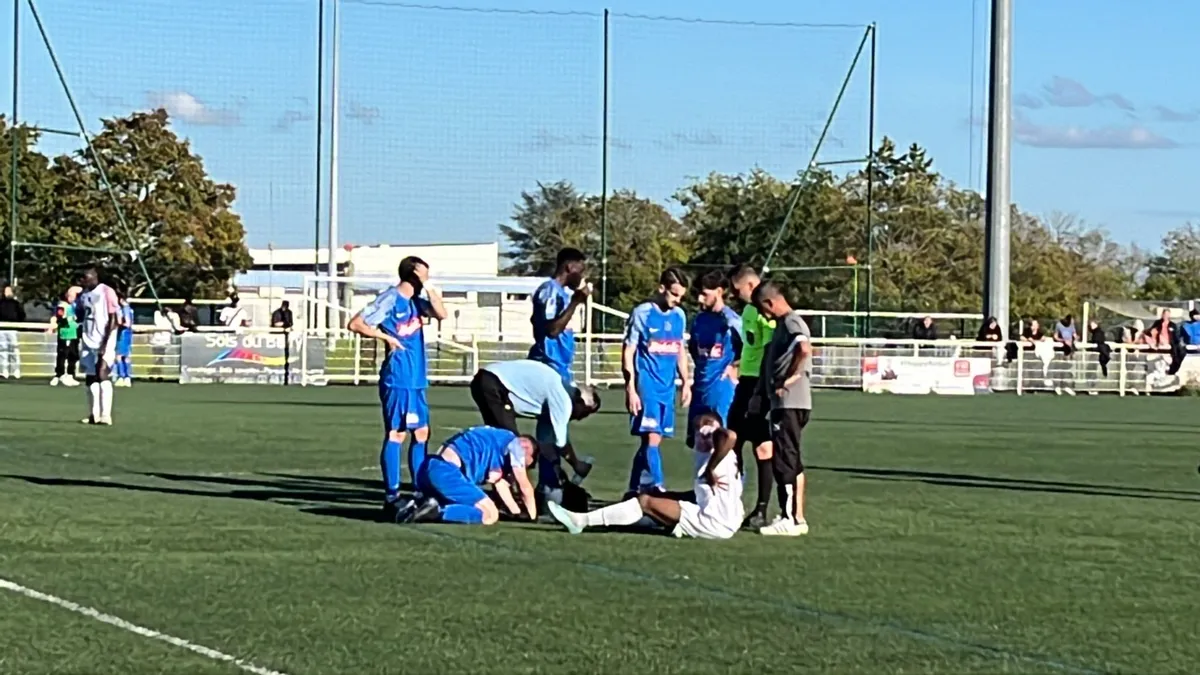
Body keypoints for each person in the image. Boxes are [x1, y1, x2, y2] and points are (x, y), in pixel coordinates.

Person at [347, 256, 447, 520]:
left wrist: (430, 288)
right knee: (397, 434)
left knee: (422, 433)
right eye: (424, 274)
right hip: (398, 376)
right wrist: (386, 337)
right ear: (413, 273)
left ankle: (418, 491)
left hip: (416, 379)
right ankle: (391, 496)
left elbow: (441, 313)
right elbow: (356, 323)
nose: (427, 278)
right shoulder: (391, 299)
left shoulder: (417, 301)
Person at [545, 413, 743, 540]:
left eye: (706, 432)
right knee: (650, 503)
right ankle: (592, 520)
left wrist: (711, 466)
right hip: (727, 520)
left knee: (644, 502)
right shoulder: (713, 454)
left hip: (713, 523)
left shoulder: (717, 450)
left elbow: (730, 436)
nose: (702, 436)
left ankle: (581, 521)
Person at [469, 359, 601, 500]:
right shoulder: (563, 400)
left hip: (487, 380)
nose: (581, 418)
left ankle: (508, 494)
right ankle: (513, 497)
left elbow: (547, 443)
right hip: (495, 385)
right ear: (580, 402)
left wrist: (564, 470)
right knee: (514, 447)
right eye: (585, 412)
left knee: (504, 445)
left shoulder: (559, 393)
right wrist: (577, 465)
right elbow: (561, 444)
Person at [623, 268, 691, 496]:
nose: (677, 300)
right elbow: (629, 350)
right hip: (647, 385)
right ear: (661, 288)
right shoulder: (642, 313)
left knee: (652, 441)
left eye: (680, 296)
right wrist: (631, 388)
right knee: (651, 437)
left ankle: (633, 489)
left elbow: (680, 349)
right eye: (673, 294)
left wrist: (686, 382)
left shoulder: (679, 316)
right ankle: (659, 486)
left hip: (667, 387)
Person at [753, 280, 813, 537]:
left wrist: (787, 378)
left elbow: (804, 349)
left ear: (770, 303)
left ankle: (789, 518)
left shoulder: (791, 322)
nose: (762, 315)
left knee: (785, 459)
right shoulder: (781, 325)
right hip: (785, 403)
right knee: (792, 458)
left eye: (762, 309)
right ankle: (795, 516)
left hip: (790, 402)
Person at [402, 426, 539, 526]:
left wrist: (515, 512)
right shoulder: (517, 445)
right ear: (526, 449)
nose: (523, 467)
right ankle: (437, 511)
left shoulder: (498, 441)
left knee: (474, 504)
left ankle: (418, 505)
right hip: (447, 473)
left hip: (429, 469)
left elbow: (500, 484)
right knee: (490, 514)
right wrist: (533, 517)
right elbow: (524, 486)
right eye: (526, 464)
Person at [686, 270, 742, 448]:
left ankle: (731, 476)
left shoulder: (732, 321)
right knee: (698, 442)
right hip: (700, 387)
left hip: (722, 389)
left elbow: (751, 348)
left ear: (719, 291)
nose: (699, 300)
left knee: (723, 442)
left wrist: (734, 366)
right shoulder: (698, 320)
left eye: (704, 294)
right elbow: (694, 348)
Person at [528, 247, 589, 388]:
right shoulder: (550, 290)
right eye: (580, 271)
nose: (581, 277)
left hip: (560, 365)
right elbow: (552, 330)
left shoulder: (563, 294)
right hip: (548, 364)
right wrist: (575, 302)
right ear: (569, 267)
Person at [78, 269, 120, 425]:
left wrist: (105, 342)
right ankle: (93, 414)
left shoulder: (106, 292)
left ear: (94, 277)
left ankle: (106, 415)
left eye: (86, 277)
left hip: (104, 339)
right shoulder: (83, 295)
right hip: (88, 340)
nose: (84, 280)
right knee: (90, 376)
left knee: (102, 372)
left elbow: (113, 318)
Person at [50, 286, 82, 387]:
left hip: (74, 334)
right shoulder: (63, 305)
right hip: (65, 334)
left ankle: (70, 374)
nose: (73, 297)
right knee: (63, 354)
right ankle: (60, 374)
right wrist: (53, 326)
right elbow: (58, 317)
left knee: (73, 355)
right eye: (71, 295)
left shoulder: (76, 306)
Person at [0, 284, 24, 379]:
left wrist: (18, 324)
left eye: (9, 291)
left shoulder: (16, 303)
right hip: (1, 329)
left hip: (13, 329)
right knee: (3, 351)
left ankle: (16, 370)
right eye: (6, 291)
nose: (7, 293)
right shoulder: (0, 303)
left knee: (14, 350)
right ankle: (4, 370)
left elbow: (21, 315)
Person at [113, 291, 136, 387]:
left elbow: (127, 323)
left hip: (122, 333)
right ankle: (127, 377)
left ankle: (121, 376)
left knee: (119, 356)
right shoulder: (130, 309)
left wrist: (117, 324)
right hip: (128, 334)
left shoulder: (123, 309)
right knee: (126, 356)